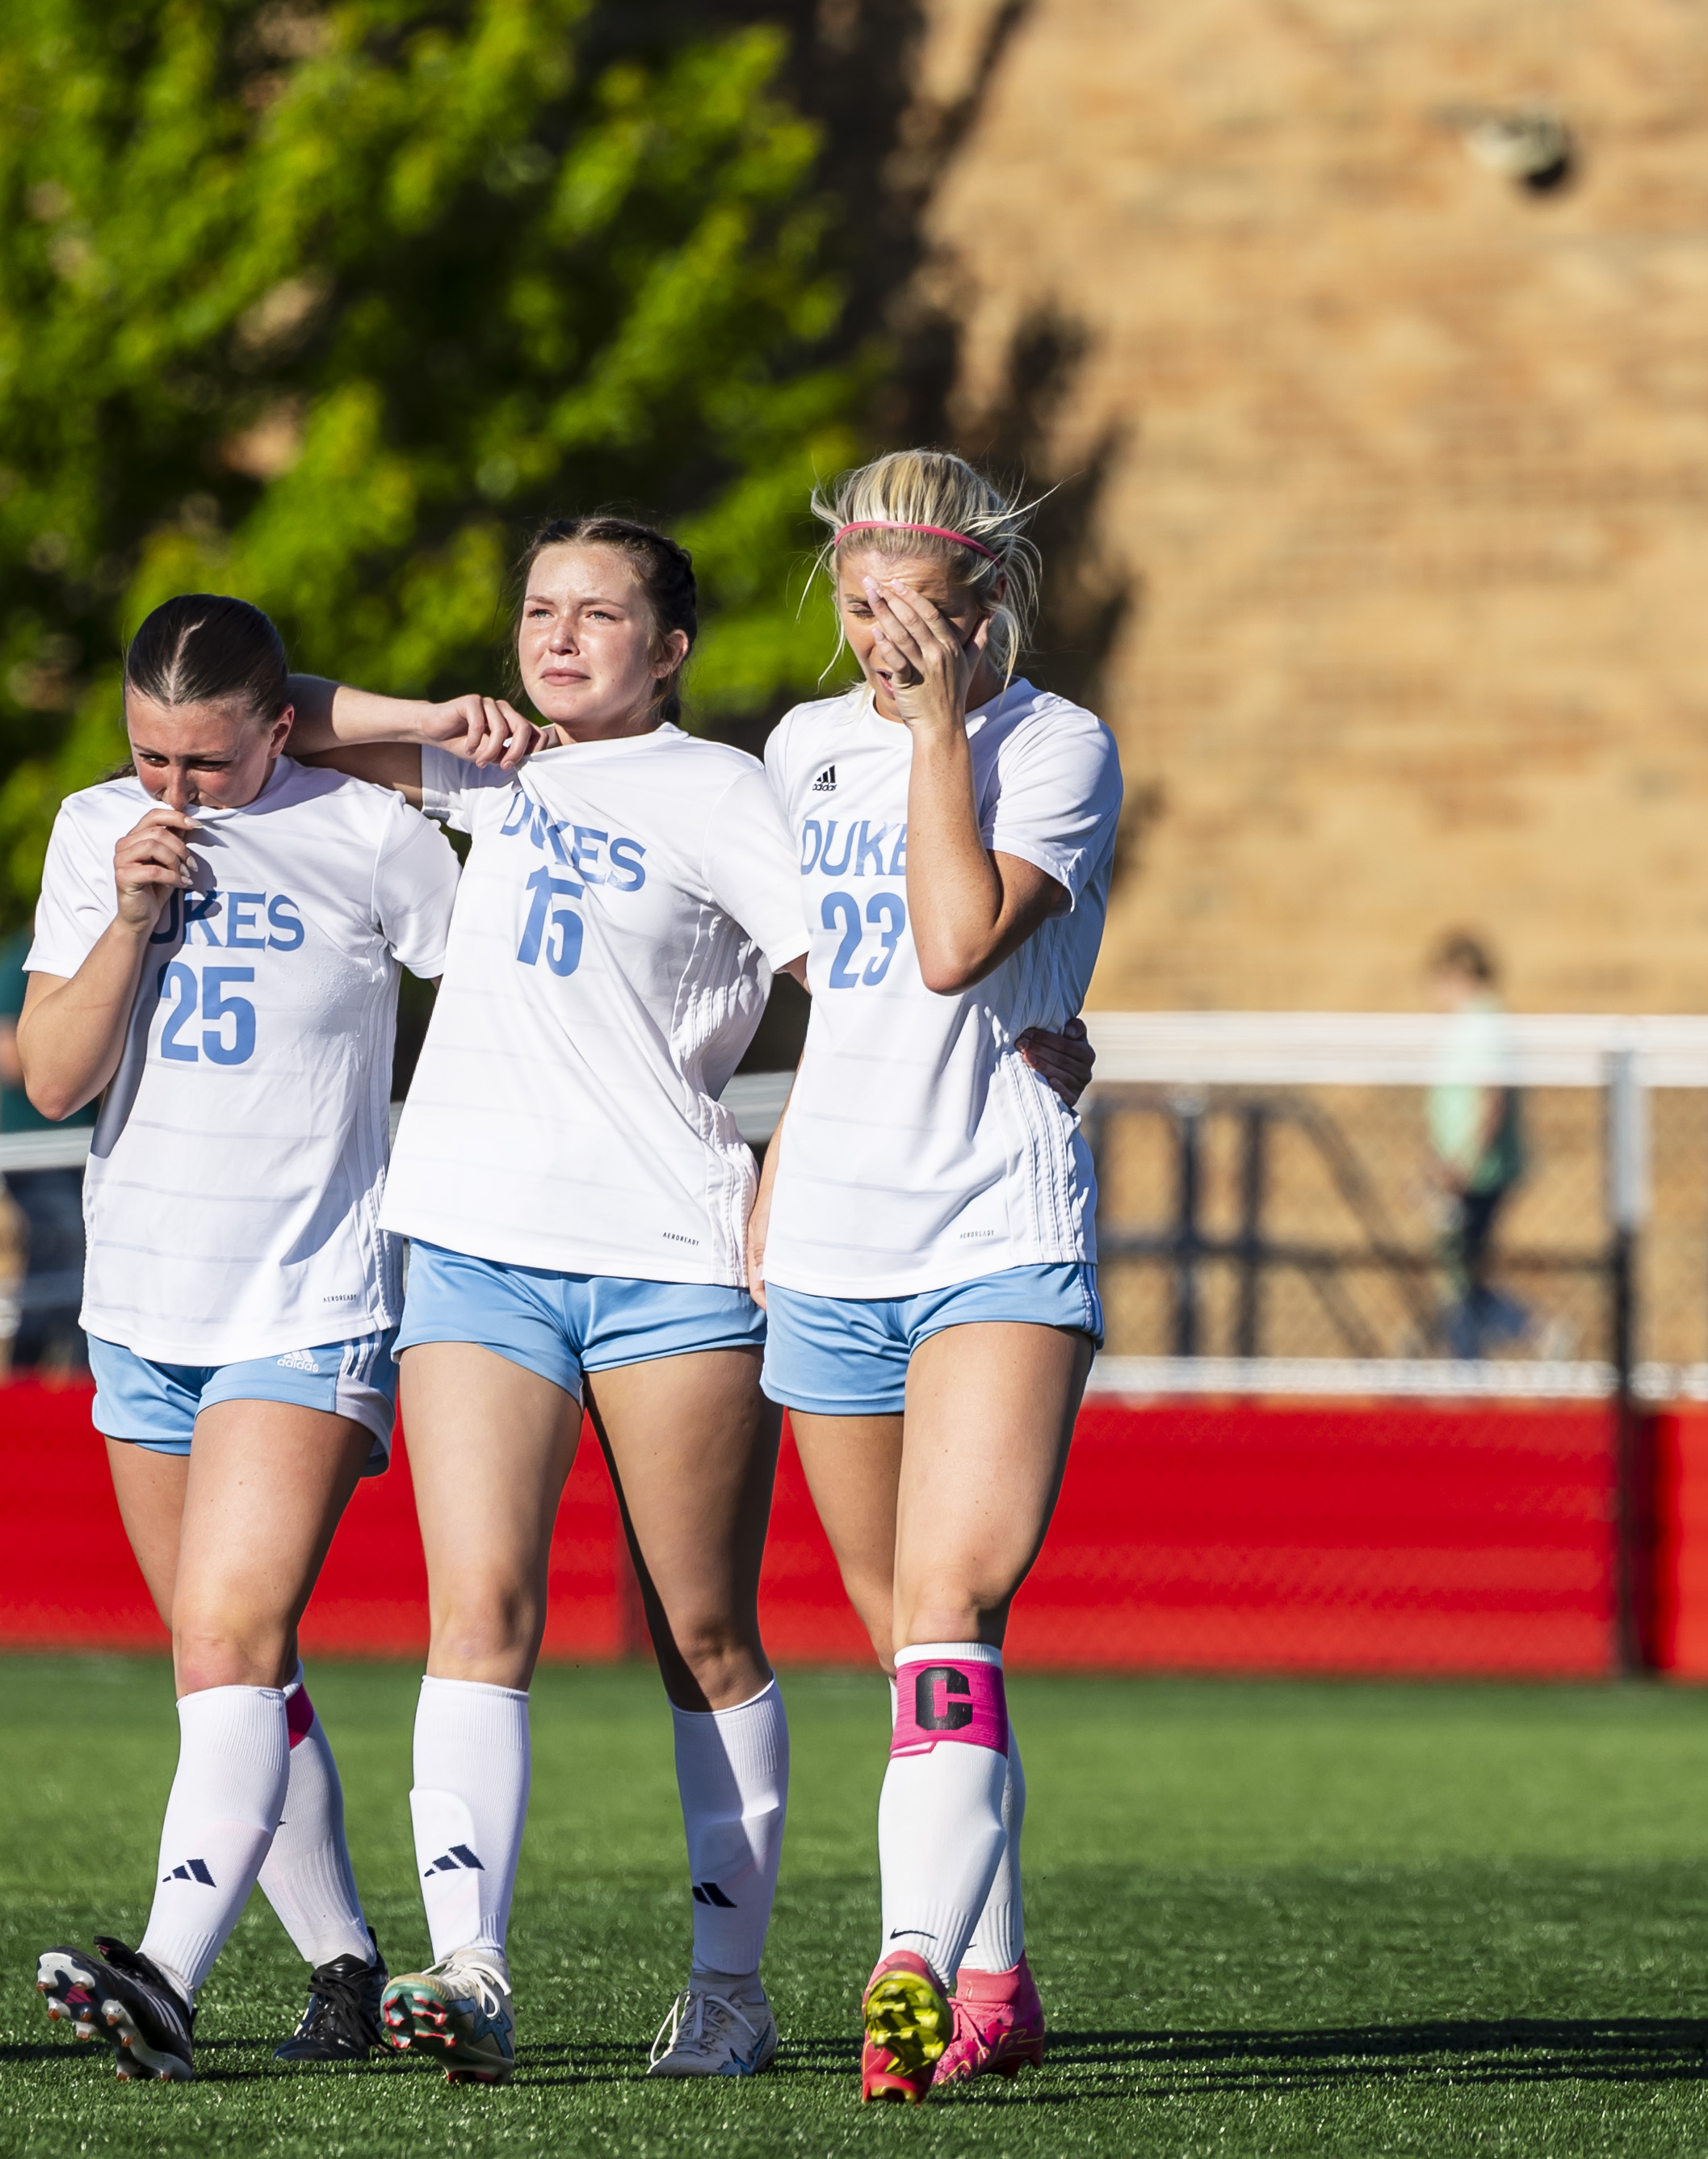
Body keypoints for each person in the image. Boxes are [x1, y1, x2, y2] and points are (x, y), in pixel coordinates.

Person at [278, 515, 1100, 2086]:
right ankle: (474, 1970)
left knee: (705, 1632)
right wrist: (426, 720)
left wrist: (1042, 1033)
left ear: (671, 649)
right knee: (479, 1610)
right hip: (473, 1244)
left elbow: (879, 963)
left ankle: (731, 1990)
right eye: (537, 608)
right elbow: (270, 709)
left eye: (601, 614)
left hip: (676, 1255)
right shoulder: (482, 766)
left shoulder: (738, 790)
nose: (558, 635)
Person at [25, 595, 461, 2081]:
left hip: (311, 1297)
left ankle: (162, 1973)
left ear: (282, 725)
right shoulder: (95, 831)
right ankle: (345, 1965)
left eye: (205, 762)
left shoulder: (371, 834)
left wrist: (403, 725)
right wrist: (132, 911)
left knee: (228, 1633)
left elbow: (520, 992)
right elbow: (49, 1076)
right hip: (143, 1306)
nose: (172, 790)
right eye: (149, 754)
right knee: (234, 1673)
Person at [747, 448, 1123, 2105]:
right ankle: (993, 1973)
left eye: (901, 587)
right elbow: (841, 990)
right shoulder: (798, 747)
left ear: (981, 596)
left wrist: (937, 735)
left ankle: (904, 1965)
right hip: (832, 1231)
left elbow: (958, 939)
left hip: (995, 1224)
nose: (869, 614)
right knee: (912, 1643)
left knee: (952, 1607)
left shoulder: (1056, 743)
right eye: (851, 582)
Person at [0, 927, 94, 1372]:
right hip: (32, 1154)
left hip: (79, 1153)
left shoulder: (96, 951)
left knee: (54, 1262)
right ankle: (49, 1375)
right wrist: (75, 1056)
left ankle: (32, 1377)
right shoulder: (15, 960)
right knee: (71, 1252)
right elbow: (5, 1056)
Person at [1425, 931, 1530, 1358]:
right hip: (1461, 1165)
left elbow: (1490, 1096)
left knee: (1460, 1277)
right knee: (1459, 1274)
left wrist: (1465, 1162)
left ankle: (1524, 1330)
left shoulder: (1483, 1025)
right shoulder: (1471, 1025)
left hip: (1476, 1172)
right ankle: (1482, 1355)